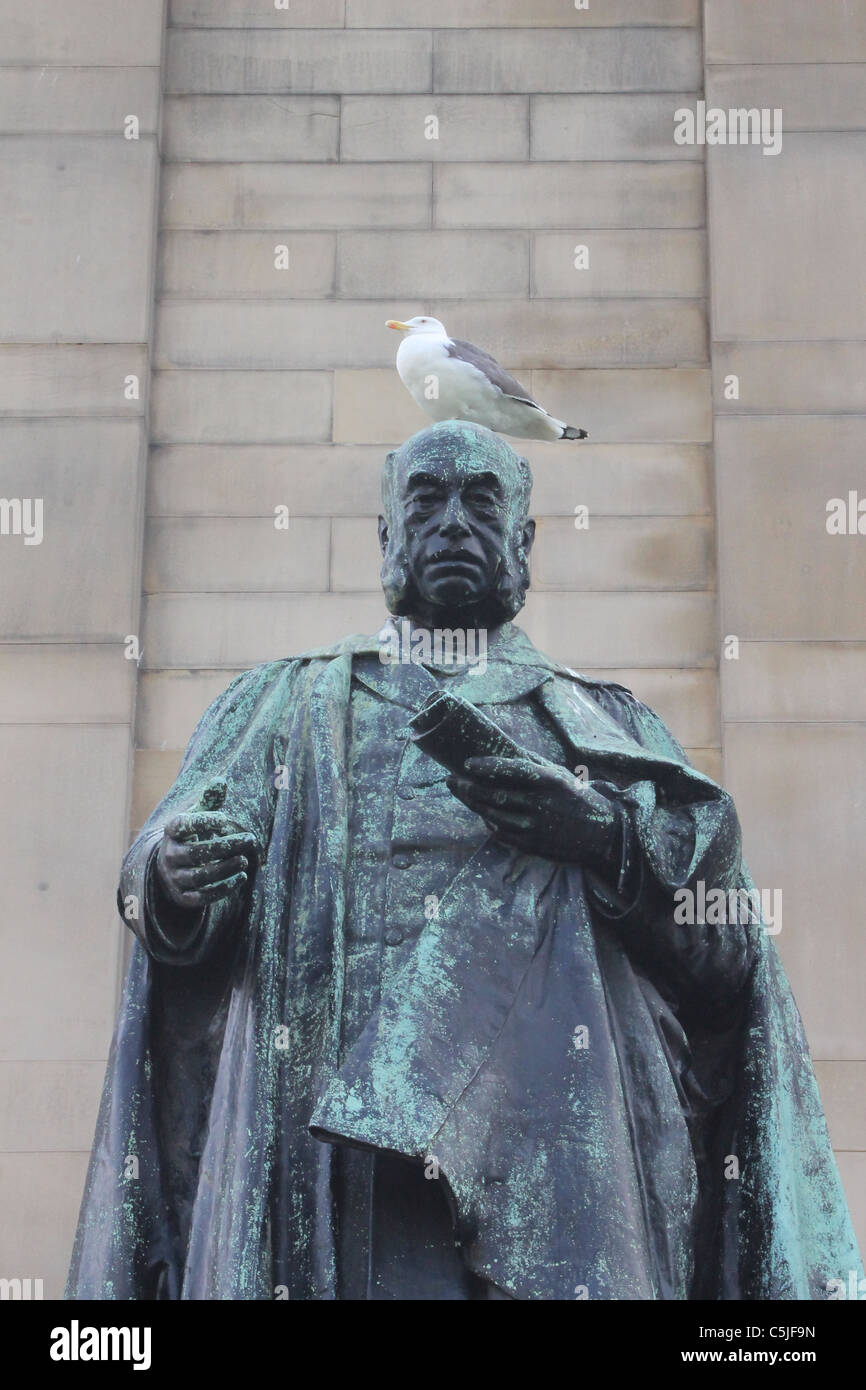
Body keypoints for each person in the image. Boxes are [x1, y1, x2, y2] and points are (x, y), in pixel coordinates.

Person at [68, 421, 861, 1300]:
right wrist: (171, 881)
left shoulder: (607, 727)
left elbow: (726, 965)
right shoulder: (281, 706)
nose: (452, 523)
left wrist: (606, 840)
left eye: (481, 500)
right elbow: (161, 868)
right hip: (333, 1186)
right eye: (426, 499)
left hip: (562, 1193)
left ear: (524, 540)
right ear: (385, 536)